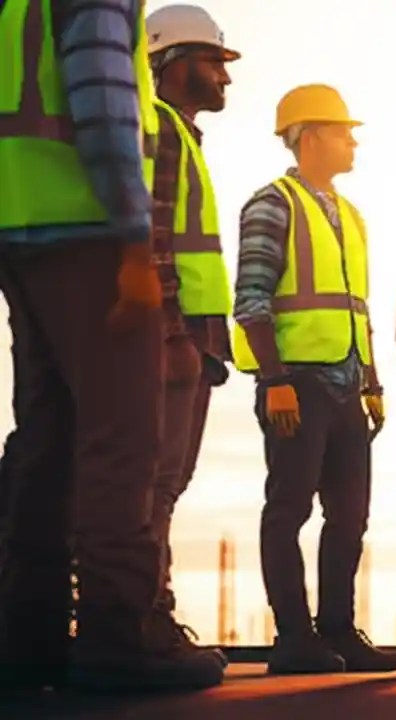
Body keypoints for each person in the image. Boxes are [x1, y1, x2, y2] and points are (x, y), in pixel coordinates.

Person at [0, 0, 223, 693]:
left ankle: (25, 642)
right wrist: (132, 237)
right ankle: (117, 638)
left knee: (47, 440)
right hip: (87, 227)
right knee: (122, 443)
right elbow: (99, 96)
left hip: (20, 223)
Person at [231, 84, 396, 675]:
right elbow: (251, 300)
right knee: (289, 508)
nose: (353, 141)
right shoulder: (271, 204)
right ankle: (294, 639)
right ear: (308, 137)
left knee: (350, 514)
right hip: (296, 384)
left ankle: (336, 630)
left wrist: (373, 382)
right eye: (342, 130)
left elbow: (358, 308)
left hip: (346, 386)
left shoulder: (350, 216)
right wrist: (274, 380)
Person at [144, 3, 238, 665]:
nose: (225, 78)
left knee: (166, 481)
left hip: (193, 339)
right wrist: (174, 333)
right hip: (172, 339)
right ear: (174, 65)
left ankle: (149, 613)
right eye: (214, 62)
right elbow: (153, 237)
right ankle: (145, 619)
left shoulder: (182, 136)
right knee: (156, 480)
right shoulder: (164, 135)